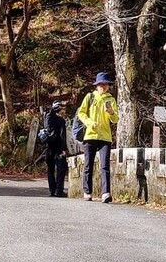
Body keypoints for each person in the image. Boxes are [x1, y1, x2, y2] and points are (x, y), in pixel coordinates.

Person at [75, 73, 118, 203]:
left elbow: (115, 119)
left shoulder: (111, 100)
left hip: (105, 137)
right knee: (88, 165)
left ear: (108, 86)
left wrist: (111, 112)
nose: (103, 86)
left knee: (105, 166)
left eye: (105, 84)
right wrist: (90, 123)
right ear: (97, 85)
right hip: (90, 135)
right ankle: (87, 192)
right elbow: (81, 113)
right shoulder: (90, 97)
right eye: (101, 84)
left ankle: (106, 193)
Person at [41, 101, 69, 197]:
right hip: (58, 148)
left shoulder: (48, 119)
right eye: (62, 109)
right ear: (60, 109)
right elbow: (62, 136)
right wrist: (63, 149)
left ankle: (51, 190)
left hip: (49, 147)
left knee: (50, 169)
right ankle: (58, 190)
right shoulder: (61, 120)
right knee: (61, 169)